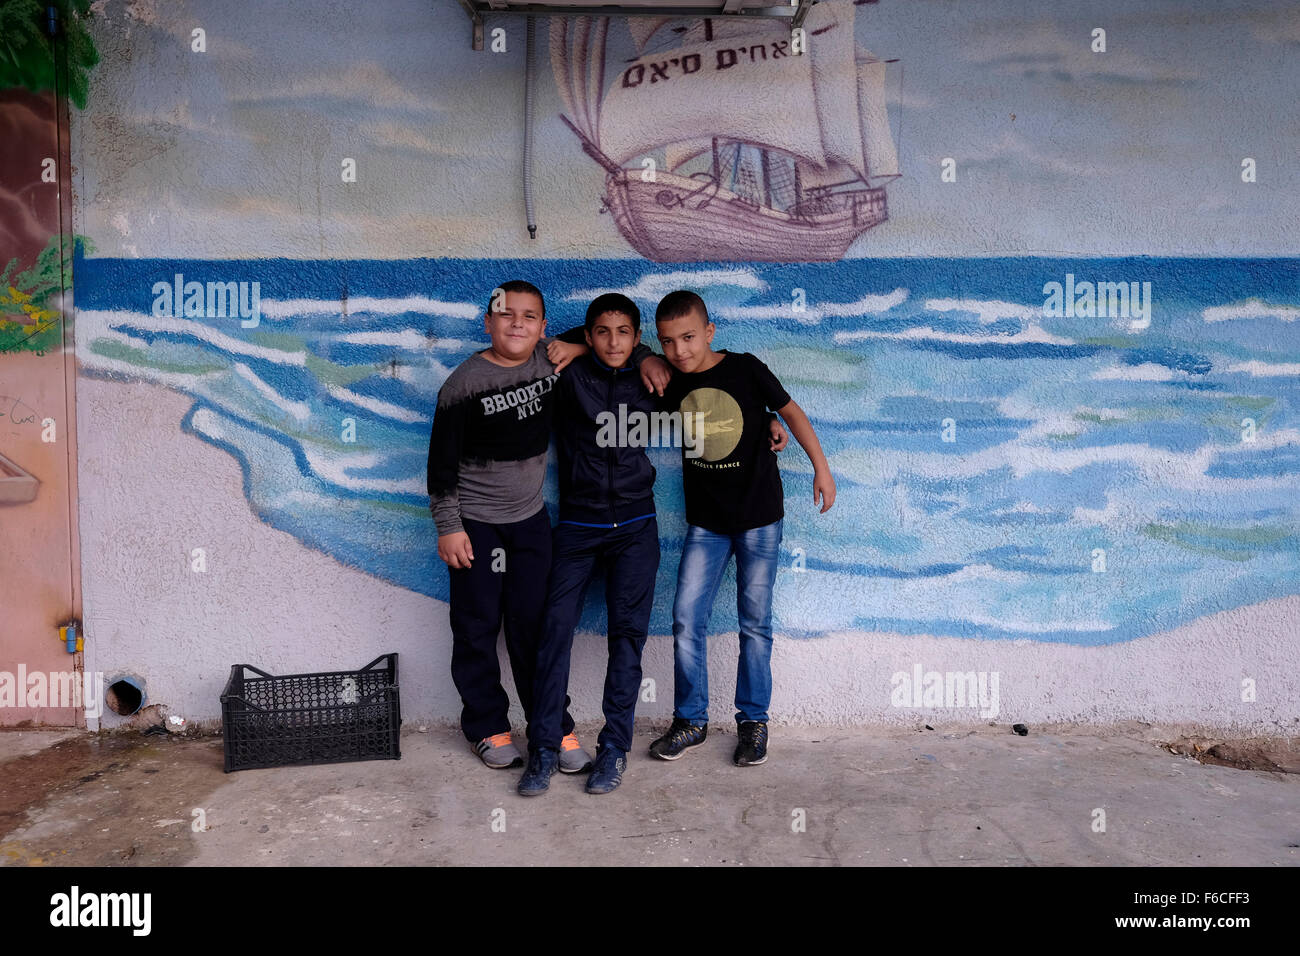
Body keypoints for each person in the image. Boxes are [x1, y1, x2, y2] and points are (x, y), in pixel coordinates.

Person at [519, 293, 788, 795]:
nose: (613, 341)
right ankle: (545, 748)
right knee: (552, 632)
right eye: (601, 332)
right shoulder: (569, 377)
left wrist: (769, 423)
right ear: (589, 333)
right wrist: (581, 348)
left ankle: (614, 751)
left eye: (626, 333)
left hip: (637, 527)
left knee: (628, 641)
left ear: (639, 337)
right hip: (578, 527)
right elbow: (547, 347)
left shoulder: (656, 380)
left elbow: (717, 399)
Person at [426, 280, 664, 770]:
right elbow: (440, 463)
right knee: (477, 626)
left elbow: (609, 341)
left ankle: (551, 726)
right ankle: (488, 726)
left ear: (543, 327)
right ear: (486, 322)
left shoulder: (552, 365)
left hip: (531, 524)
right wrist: (448, 525)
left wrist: (632, 353)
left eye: (529, 317)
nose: (517, 325)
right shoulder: (463, 383)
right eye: (506, 315)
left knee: (535, 629)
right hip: (477, 524)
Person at [648, 289, 836, 767]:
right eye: (667, 342)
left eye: (689, 338)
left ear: (710, 332)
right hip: (705, 526)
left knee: (755, 624)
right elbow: (615, 347)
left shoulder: (747, 367)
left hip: (759, 521)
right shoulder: (669, 379)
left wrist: (821, 467)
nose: (680, 351)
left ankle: (753, 722)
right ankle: (691, 720)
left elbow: (790, 412)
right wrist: (646, 359)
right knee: (686, 619)